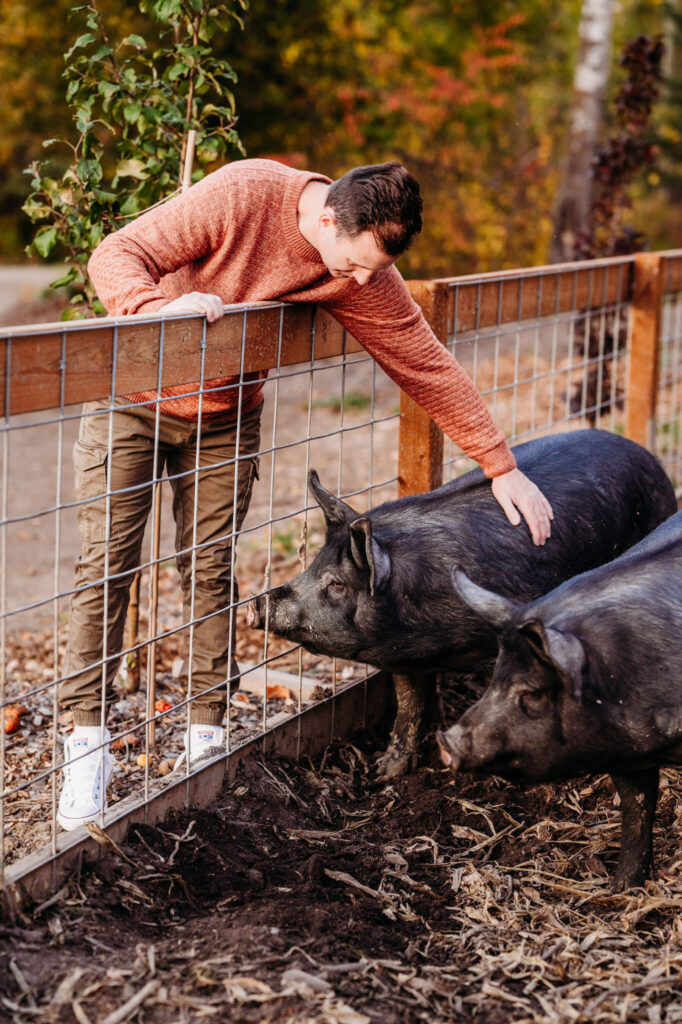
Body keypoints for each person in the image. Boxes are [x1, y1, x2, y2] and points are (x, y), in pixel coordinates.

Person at [56, 159, 553, 830]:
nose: (357, 283)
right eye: (350, 267)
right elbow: (119, 252)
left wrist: (500, 464)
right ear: (326, 220)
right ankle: (85, 752)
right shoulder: (241, 196)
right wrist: (153, 310)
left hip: (227, 416)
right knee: (105, 569)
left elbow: (424, 360)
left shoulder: (365, 269)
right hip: (131, 398)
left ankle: (205, 745)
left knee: (208, 571)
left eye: (370, 272)